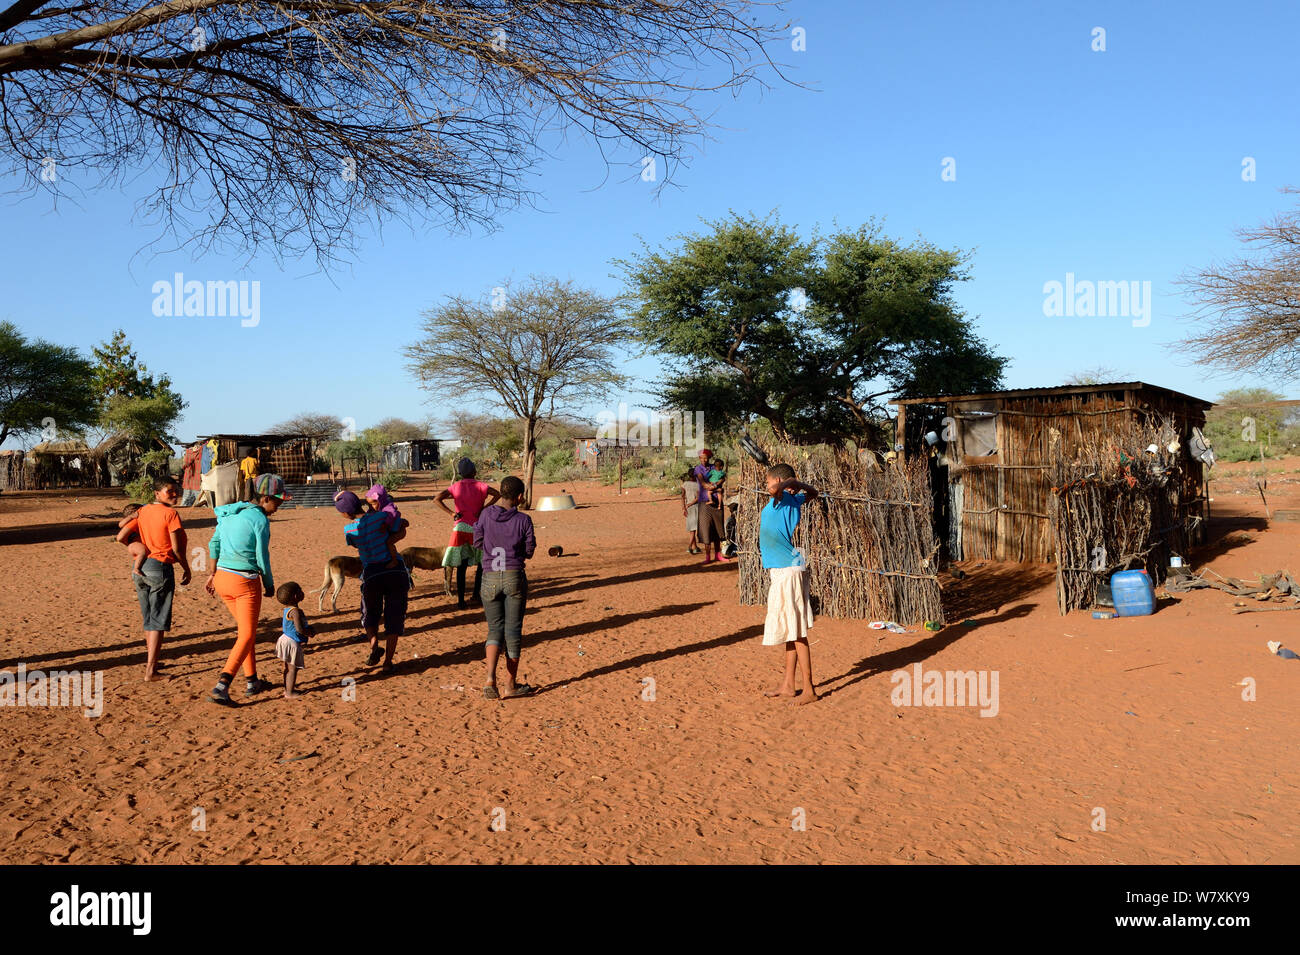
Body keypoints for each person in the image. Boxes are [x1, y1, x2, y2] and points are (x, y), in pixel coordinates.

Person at [205, 474, 289, 705]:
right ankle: (222, 686)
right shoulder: (260, 520)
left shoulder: (230, 514)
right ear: (264, 498)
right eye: (277, 501)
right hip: (244, 582)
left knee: (245, 631)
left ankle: (252, 681)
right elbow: (263, 556)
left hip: (222, 578)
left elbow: (214, 544)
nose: (278, 507)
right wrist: (269, 584)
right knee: (248, 634)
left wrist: (212, 574)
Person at [759, 463, 821, 704]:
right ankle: (788, 685)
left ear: (778, 481)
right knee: (789, 629)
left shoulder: (782, 497)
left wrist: (790, 485)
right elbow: (812, 493)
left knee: (797, 634)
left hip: (788, 570)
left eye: (768, 481)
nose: (766, 486)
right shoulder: (790, 499)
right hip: (784, 569)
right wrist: (796, 485)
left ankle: (809, 690)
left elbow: (810, 492)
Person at [474, 475, 537, 699]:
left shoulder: (485, 515)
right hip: (513, 577)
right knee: (513, 632)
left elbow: (478, 542)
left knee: (494, 629)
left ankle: (490, 680)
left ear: (501, 493)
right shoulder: (524, 520)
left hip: (489, 577)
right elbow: (529, 550)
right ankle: (510, 685)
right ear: (519, 497)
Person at [125, 476, 191, 681]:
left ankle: (151, 662)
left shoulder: (142, 510)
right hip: (160, 568)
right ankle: (151, 671)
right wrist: (186, 567)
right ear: (157, 494)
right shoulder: (171, 514)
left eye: (175, 490)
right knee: (157, 621)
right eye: (169, 491)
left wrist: (137, 550)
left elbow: (121, 535)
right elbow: (177, 548)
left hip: (141, 568)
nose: (174, 494)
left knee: (149, 618)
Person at [344, 488, 410, 671]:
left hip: (371, 573)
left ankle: (374, 645)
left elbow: (356, 543)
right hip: (395, 571)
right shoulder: (383, 517)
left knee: (370, 614)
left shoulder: (350, 529)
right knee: (394, 616)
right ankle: (388, 662)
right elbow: (399, 529)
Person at [436, 458, 500, 608]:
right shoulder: (481, 486)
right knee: (481, 563)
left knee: (461, 565)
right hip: (478, 528)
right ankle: (476, 595)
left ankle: (460, 601)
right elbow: (497, 494)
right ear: (475, 472)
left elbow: (436, 499)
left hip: (460, 529)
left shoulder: (455, 487)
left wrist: (451, 513)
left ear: (459, 473)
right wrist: (484, 508)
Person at [275, 582, 312, 698]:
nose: (302, 592)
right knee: (292, 669)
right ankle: (290, 693)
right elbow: (299, 629)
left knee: (288, 668)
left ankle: (287, 689)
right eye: (300, 590)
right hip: (291, 642)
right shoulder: (295, 611)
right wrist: (309, 633)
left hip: (285, 639)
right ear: (296, 596)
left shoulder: (287, 609)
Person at [692, 448, 726, 564]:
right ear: (699, 458)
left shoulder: (714, 467)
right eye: (702, 458)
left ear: (709, 458)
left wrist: (715, 485)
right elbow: (701, 481)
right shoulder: (698, 469)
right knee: (705, 529)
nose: (704, 460)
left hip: (717, 502)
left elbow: (723, 478)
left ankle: (718, 554)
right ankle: (707, 556)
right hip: (704, 502)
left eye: (706, 458)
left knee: (718, 529)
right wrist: (709, 487)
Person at [365, 483, 408, 568]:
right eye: (368, 505)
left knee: (389, 542)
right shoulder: (374, 509)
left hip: (398, 531)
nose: (370, 507)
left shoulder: (388, 507)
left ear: (380, 501)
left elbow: (393, 514)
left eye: (373, 504)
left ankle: (394, 560)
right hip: (392, 530)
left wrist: (386, 524)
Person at [115, 501, 149, 576]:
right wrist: (130, 517)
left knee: (142, 552)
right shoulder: (132, 521)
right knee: (142, 551)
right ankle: (136, 568)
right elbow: (120, 525)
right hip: (133, 543)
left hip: (133, 543)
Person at [679, 470, 702, 555]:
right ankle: (689, 547)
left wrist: (684, 507)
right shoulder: (698, 485)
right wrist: (689, 504)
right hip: (695, 508)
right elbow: (697, 498)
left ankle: (695, 547)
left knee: (691, 529)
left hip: (688, 508)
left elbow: (682, 496)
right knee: (693, 530)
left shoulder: (684, 484)